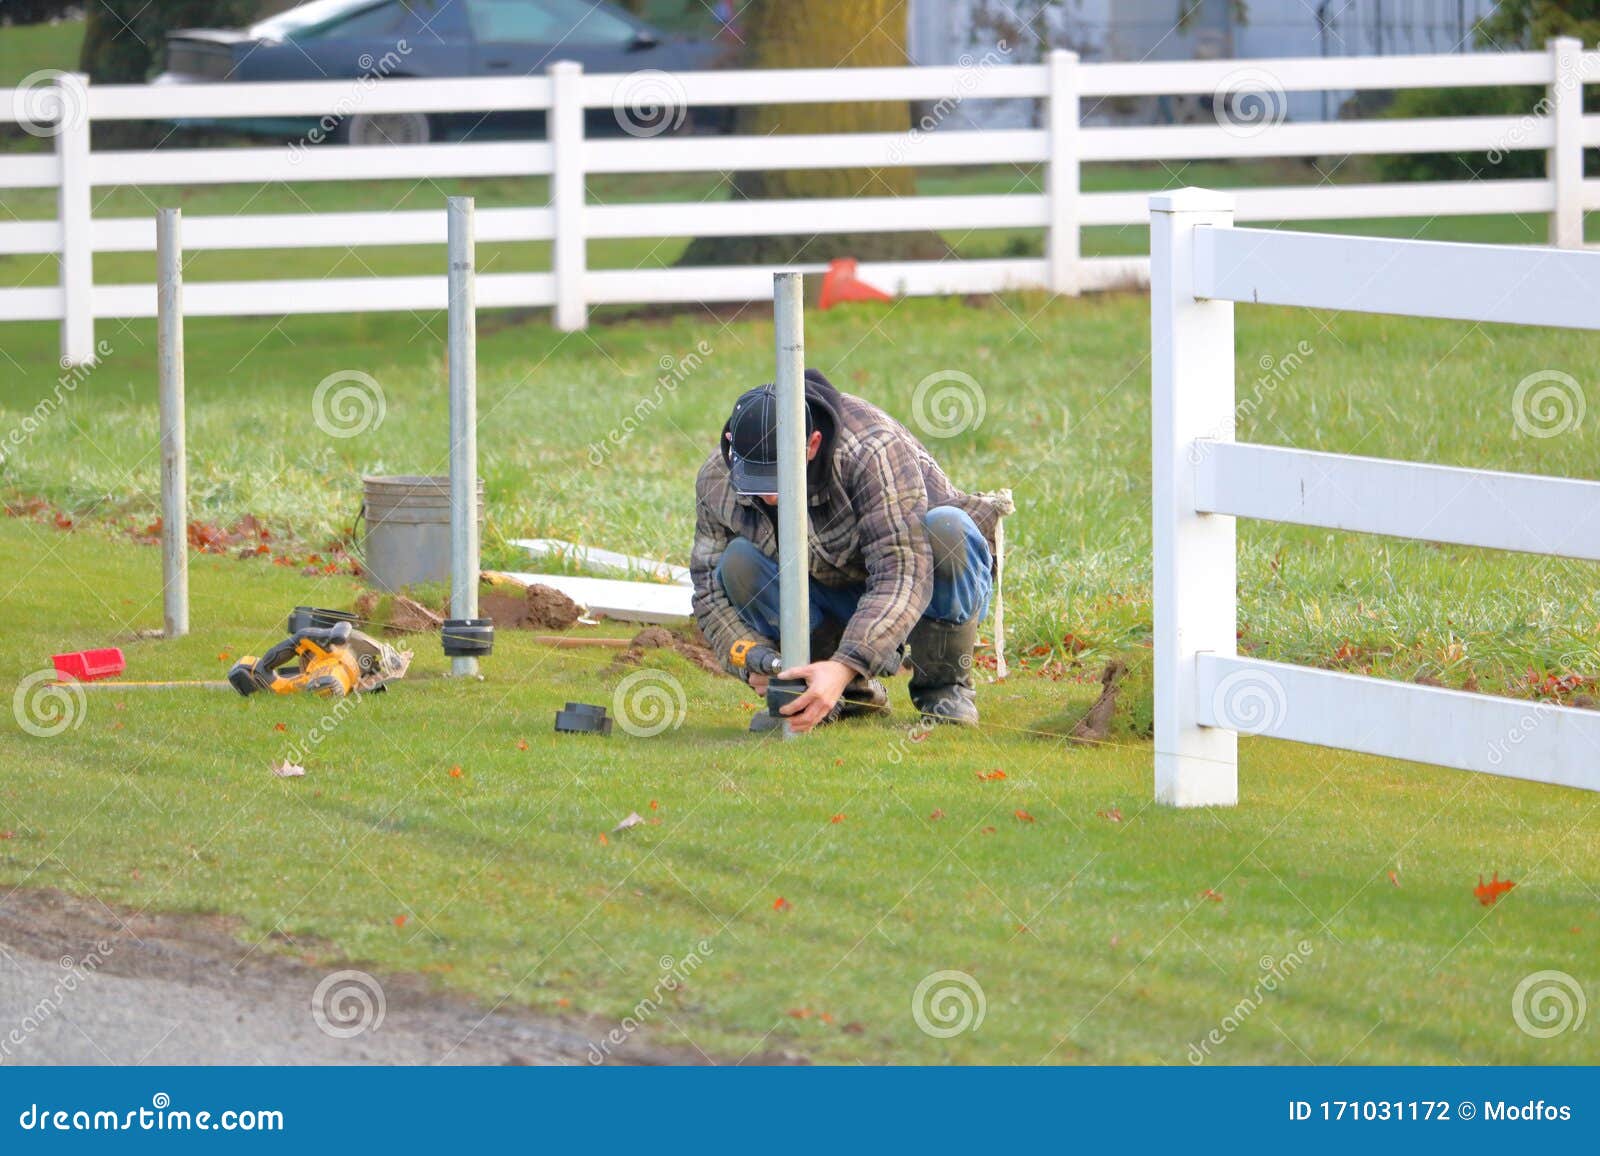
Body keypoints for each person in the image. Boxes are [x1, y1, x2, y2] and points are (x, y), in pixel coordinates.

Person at [690, 369, 1009, 734]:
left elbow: (902, 572)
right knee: (738, 563)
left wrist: (845, 663)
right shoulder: (716, 478)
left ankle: (944, 689)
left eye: (779, 477)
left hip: (923, 587)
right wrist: (754, 658)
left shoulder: (873, 450)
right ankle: (845, 695)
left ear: (811, 444)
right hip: (830, 585)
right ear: (732, 445)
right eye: (756, 479)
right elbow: (708, 590)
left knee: (947, 528)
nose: (770, 496)